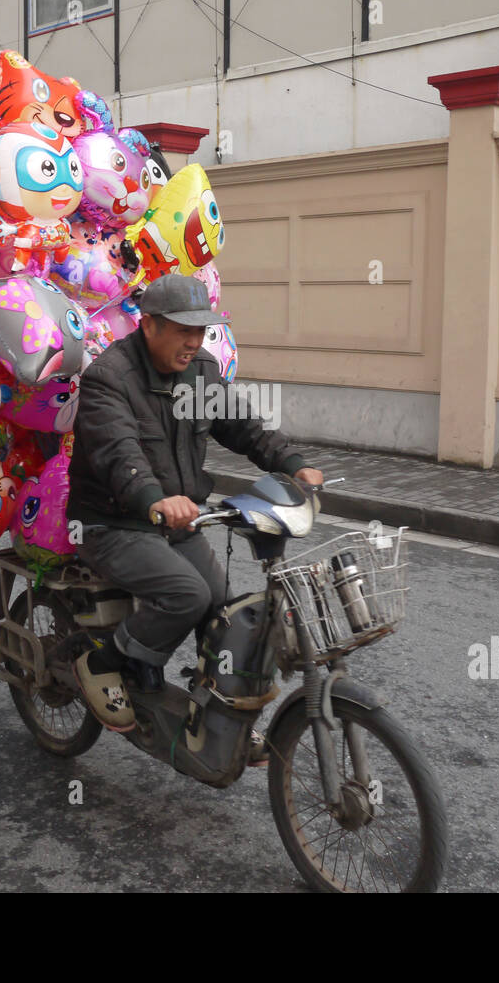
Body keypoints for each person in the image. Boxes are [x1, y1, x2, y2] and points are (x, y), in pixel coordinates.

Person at [66, 275, 322, 733]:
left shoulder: (200, 371)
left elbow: (246, 428)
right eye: (183, 330)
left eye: (201, 330)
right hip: (112, 522)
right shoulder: (110, 377)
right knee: (187, 595)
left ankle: (221, 713)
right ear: (148, 325)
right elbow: (119, 454)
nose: (193, 341)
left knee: (227, 610)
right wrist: (154, 498)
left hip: (176, 523)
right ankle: (106, 661)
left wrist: (293, 463)